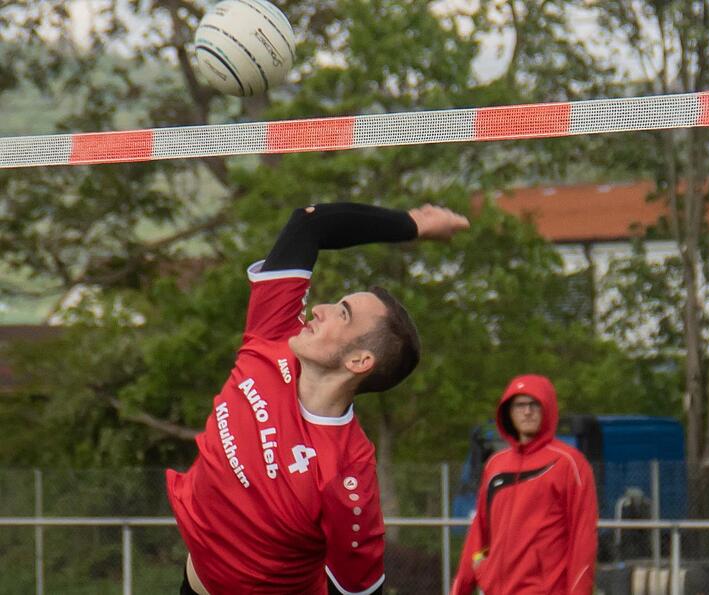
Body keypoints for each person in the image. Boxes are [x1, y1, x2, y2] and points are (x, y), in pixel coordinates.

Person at [166, 202, 470, 595]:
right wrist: (412, 224)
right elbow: (311, 223)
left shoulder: (347, 475)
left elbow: (359, 589)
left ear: (360, 360)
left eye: (342, 314)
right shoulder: (273, 333)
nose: (321, 308)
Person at [451, 374, 598, 595]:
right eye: (520, 405)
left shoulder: (569, 464)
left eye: (534, 404)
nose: (527, 411)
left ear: (547, 408)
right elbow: (478, 534)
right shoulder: (495, 465)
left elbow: (583, 539)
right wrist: (462, 587)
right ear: (508, 412)